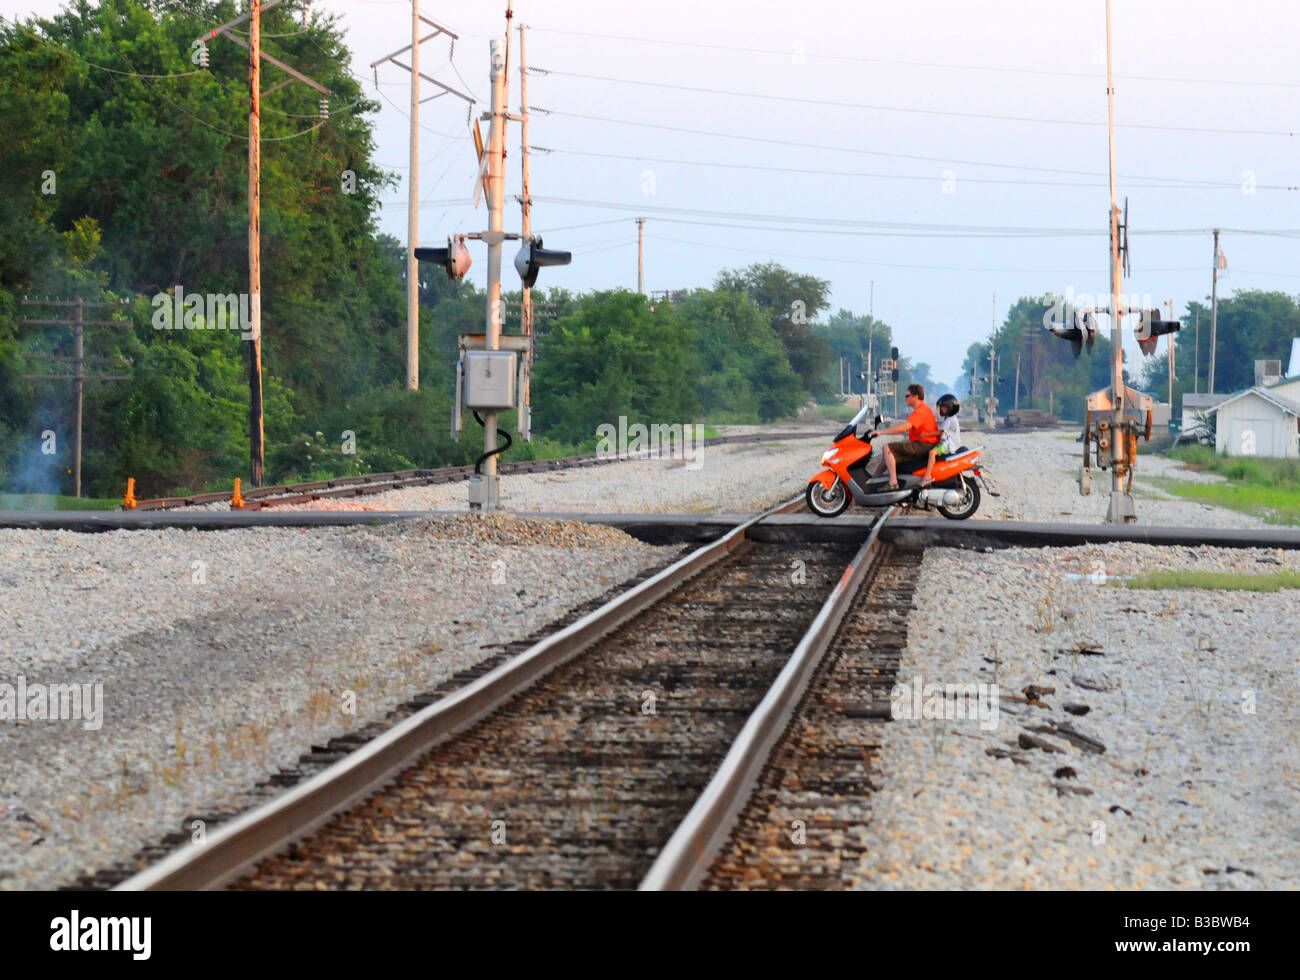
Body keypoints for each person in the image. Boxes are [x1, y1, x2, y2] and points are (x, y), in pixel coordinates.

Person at [868, 383, 940, 490]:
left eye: (907, 396)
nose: (905, 398)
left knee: (887, 447)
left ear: (916, 396)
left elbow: (904, 428)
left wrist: (881, 432)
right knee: (886, 455)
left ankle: (893, 483)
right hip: (921, 444)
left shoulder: (921, 411)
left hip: (924, 445)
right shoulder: (921, 409)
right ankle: (871, 483)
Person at [921, 393, 961, 486]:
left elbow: (939, 432)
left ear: (950, 407)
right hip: (948, 442)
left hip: (949, 445)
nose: (942, 409)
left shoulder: (950, 419)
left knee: (932, 453)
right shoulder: (949, 418)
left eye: (944, 407)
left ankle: (927, 476)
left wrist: (924, 435)